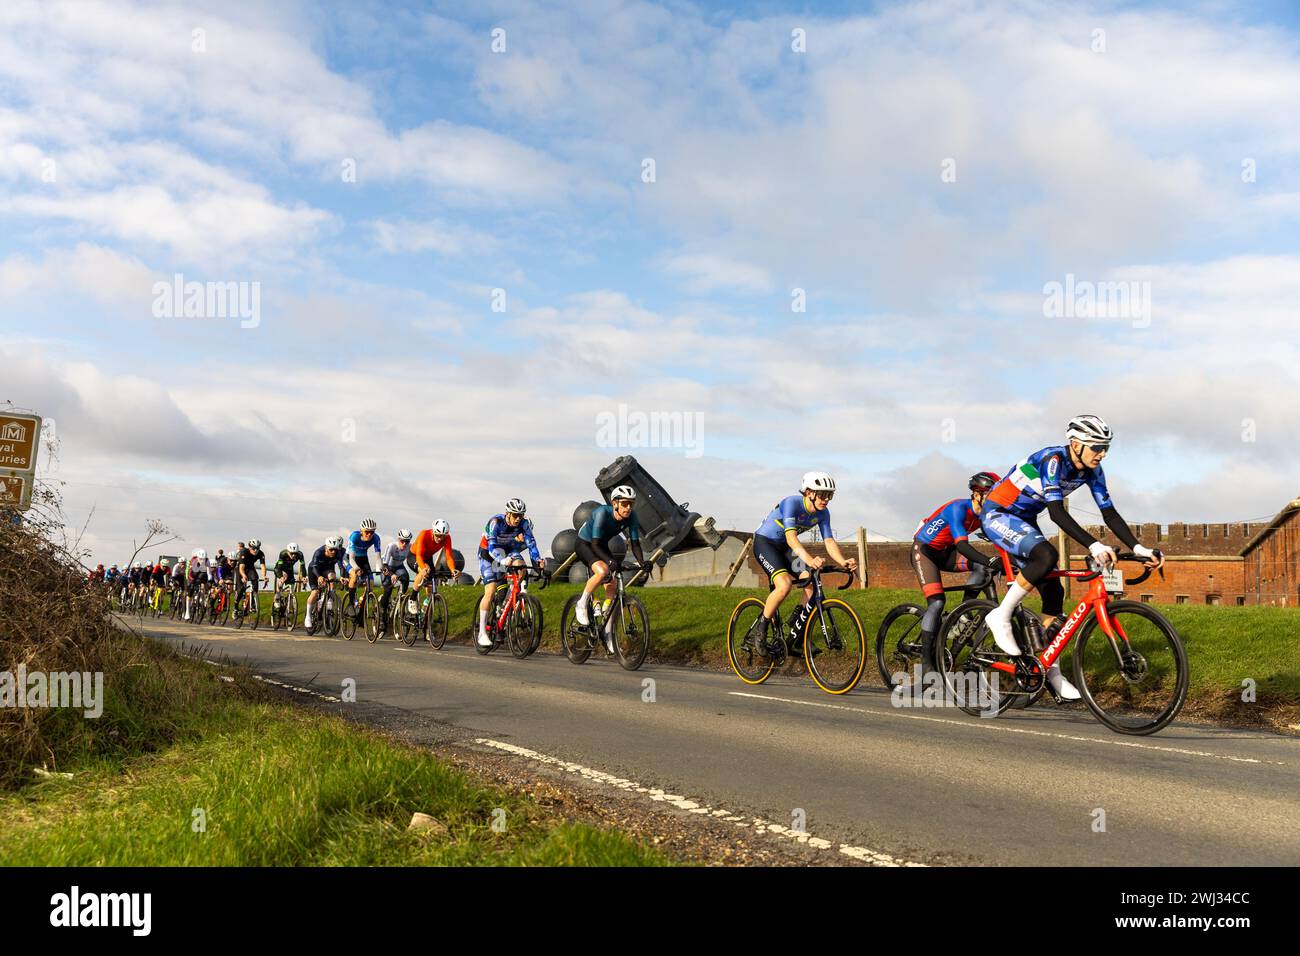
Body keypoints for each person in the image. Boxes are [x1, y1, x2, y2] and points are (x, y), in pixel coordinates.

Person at [979, 414, 1163, 699]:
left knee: (1054, 592)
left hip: (1025, 518)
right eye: (1096, 447)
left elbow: (1109, 513)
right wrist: (1093, 545)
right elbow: (1056, 512)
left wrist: (1139, 548)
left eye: (1106, 448)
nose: (1101, 453)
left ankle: (1049, 671)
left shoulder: (1093, 470)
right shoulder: (1053, 460)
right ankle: (999, 616)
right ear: (1076, 444)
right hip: (999, 514)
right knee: (1046, 555)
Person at [750, 472, 858, 655]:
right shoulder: (791, 504)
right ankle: (760, 629)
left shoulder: (823, 514)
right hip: (765, 543)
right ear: (809, 493)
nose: (826, 499)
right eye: (822, 494)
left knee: (810, 582)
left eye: (829, 495)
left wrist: (843, 561)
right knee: (783, 585)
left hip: (784, 547)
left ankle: (796, 632)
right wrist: (809, 560)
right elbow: (791, 538)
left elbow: (829, 541)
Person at [910, 472, 1002, 671]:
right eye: (991, 494)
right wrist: (990, 560)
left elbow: (1001, 539)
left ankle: (963, 615)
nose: (996, 500)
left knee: (982, 568)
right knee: (937, 603)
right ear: (977, 494)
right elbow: (963, 547)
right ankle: (927, 664)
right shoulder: (958, 508)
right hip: (925, 551)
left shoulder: (986, 515)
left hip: (945, 552)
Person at [574, 485, 647, 652]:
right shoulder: (602, 513)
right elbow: (594, 544)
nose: (628, 508)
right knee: (602, 571)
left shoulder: (632, 517)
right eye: (625, 504)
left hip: (601, 544)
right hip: (585, 543)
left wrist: (643, 563)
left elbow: (635, 543)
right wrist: (610, 561)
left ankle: (607, 629)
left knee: (612, 584)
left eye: (631, 504)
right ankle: (582, 603)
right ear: (615, 503)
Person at [476, 499, 543, 648]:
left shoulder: (524, 524)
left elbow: (532, 544)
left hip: (508, 550)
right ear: (507, 513)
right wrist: (502, 560)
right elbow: (492, 546)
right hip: (489, 552)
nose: (518, 519)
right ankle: (482, 632)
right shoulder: (496, 521)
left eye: (521, 515)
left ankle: (517, 596)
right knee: (492, 589)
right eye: (515, 515)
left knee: (521, 567)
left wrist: (538, 562)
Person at [304, 536, 348, 633]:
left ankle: (329, 598)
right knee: (315, 592)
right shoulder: (318, 552)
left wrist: (342, 577)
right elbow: (315, 566)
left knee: (332, 577)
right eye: (331, 550)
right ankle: (308, 616)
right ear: (326, 548)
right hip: (314, 570)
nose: (333, 552)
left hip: (328, 569)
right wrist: (319, 576)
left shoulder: (339, 553)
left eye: (335, 550)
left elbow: (342, 566)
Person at [377, 529, 414, 635]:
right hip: (387, 567)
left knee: (405, 577)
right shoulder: (392, 546)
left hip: (398, 567)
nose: (404, 544)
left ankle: (401, 597)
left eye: (407, 541)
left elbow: (412, 561)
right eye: (402, 541)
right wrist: (391, 574)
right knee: (388, 590)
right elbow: (385, 564)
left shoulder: (409, 547)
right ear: (398, 539)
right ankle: (382, 618)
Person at [345, 519, 381, 620]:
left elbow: (378, 558)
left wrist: (382, 569)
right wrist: (356, 569)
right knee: (354, 576)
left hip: (363, 558)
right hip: (350, 558)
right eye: (367, 532)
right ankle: (350, 604)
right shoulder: (354, 536)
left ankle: (361, 605)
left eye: (372, 532)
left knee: (371, 583)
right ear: (361, 531)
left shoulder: (376, 538)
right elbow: (351, 559)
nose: (369, 534)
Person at [410, 520, 457, 590]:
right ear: (433, 532)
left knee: (431, 582)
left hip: (428, 557)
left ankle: (429, 600)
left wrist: (453, 570)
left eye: (443, 536)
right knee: (425, 570)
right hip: (414, 556)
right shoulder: (424, 534)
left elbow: (449, 557)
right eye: (438, 535)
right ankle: (412, 599)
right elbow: (419, 556)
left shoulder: (447, 538)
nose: (440, 538)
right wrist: (423, 568)